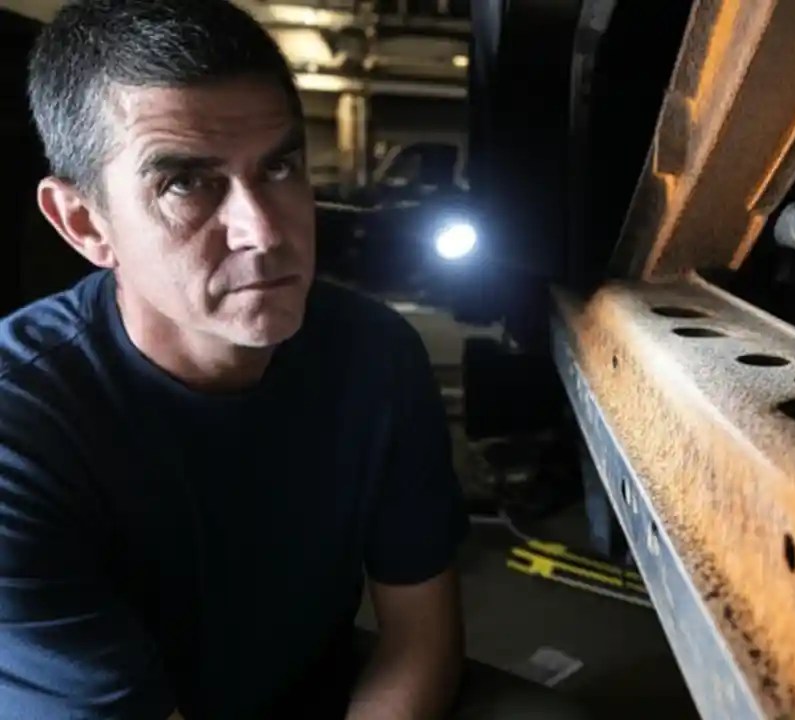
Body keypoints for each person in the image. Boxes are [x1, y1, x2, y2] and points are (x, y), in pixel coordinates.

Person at [0, 1, 584, 718]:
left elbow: (418, 637)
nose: (263, 231)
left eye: (279, 166)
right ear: (85, 223)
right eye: (186, 182)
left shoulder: (373, 354)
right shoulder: (19, 435)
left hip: (302, 684)